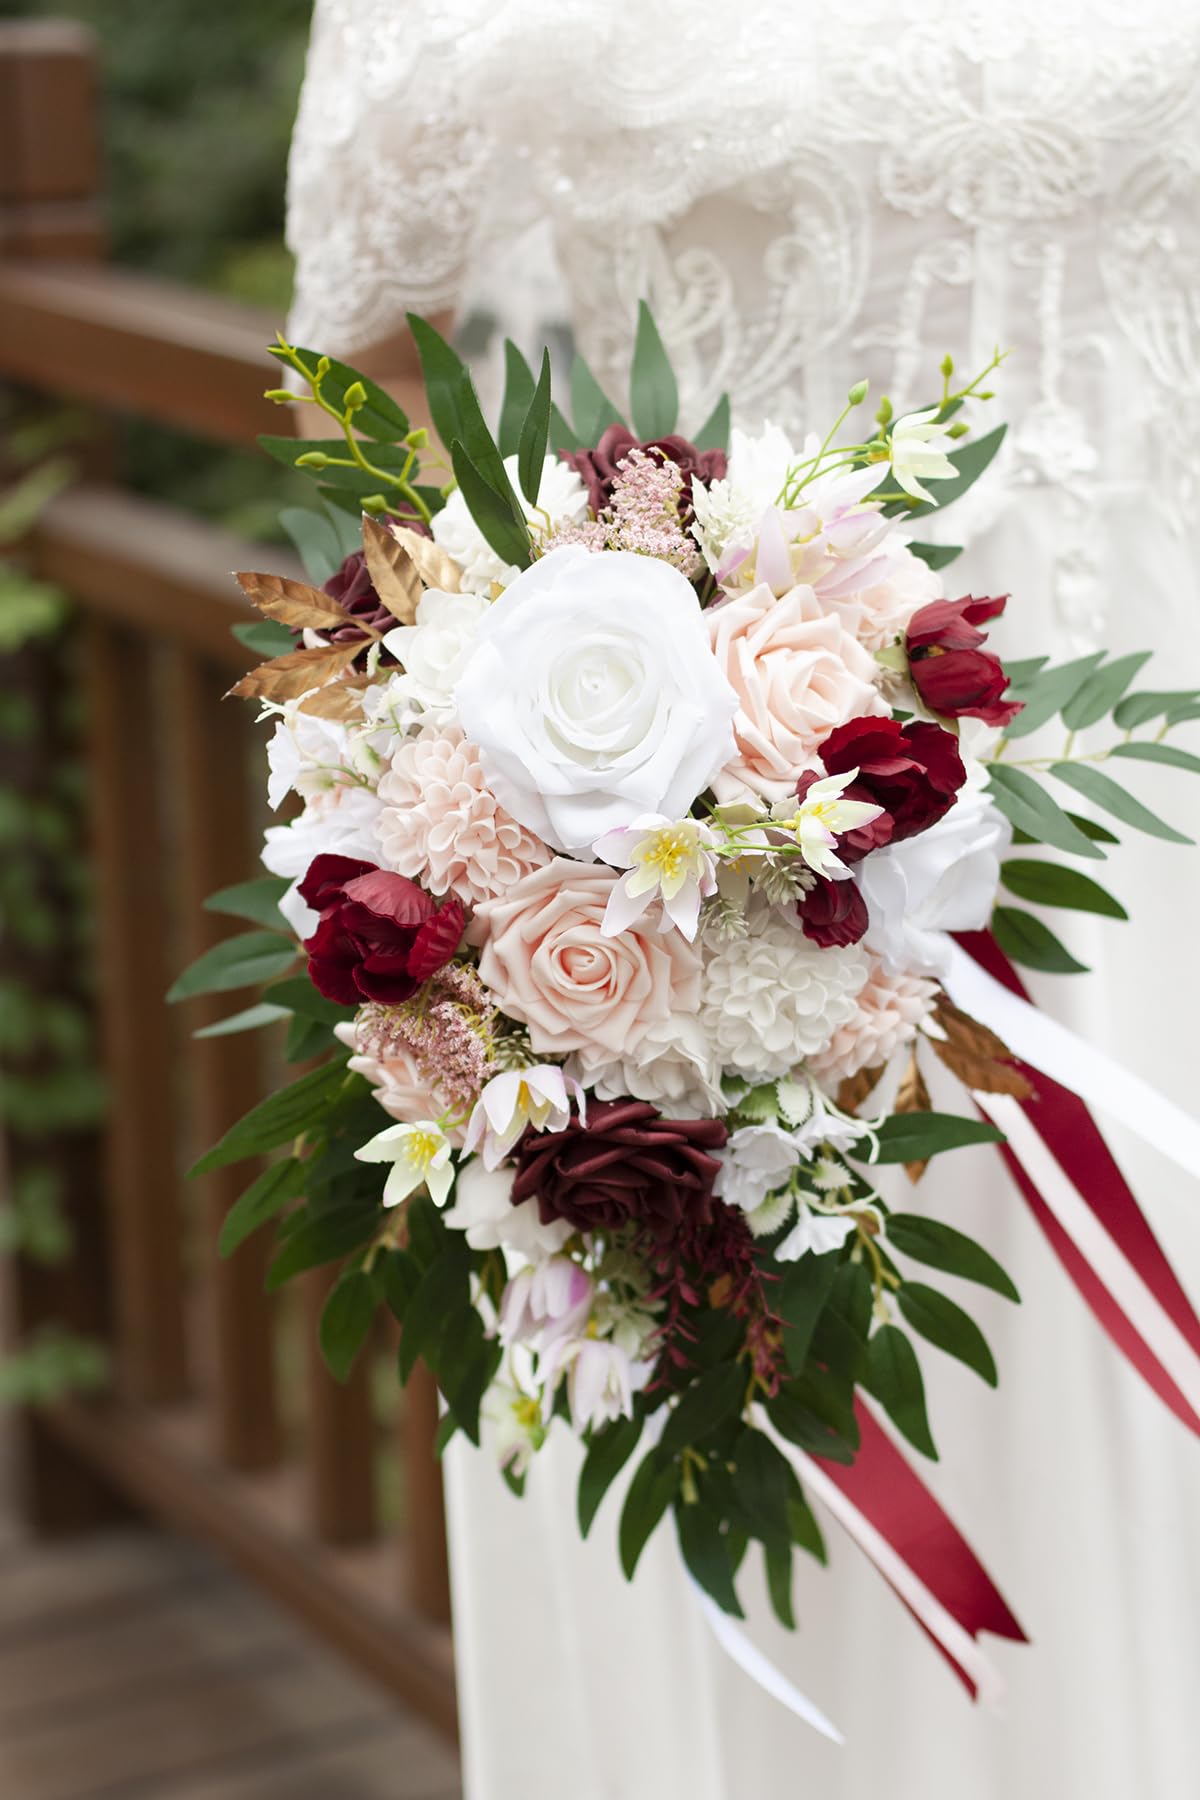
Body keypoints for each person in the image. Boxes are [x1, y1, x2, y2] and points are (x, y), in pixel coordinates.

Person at [285, 6, 1200, 1795]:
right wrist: (503, 785)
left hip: (1155, 753)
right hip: (727, 816)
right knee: (842, 1351)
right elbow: (378, 370)